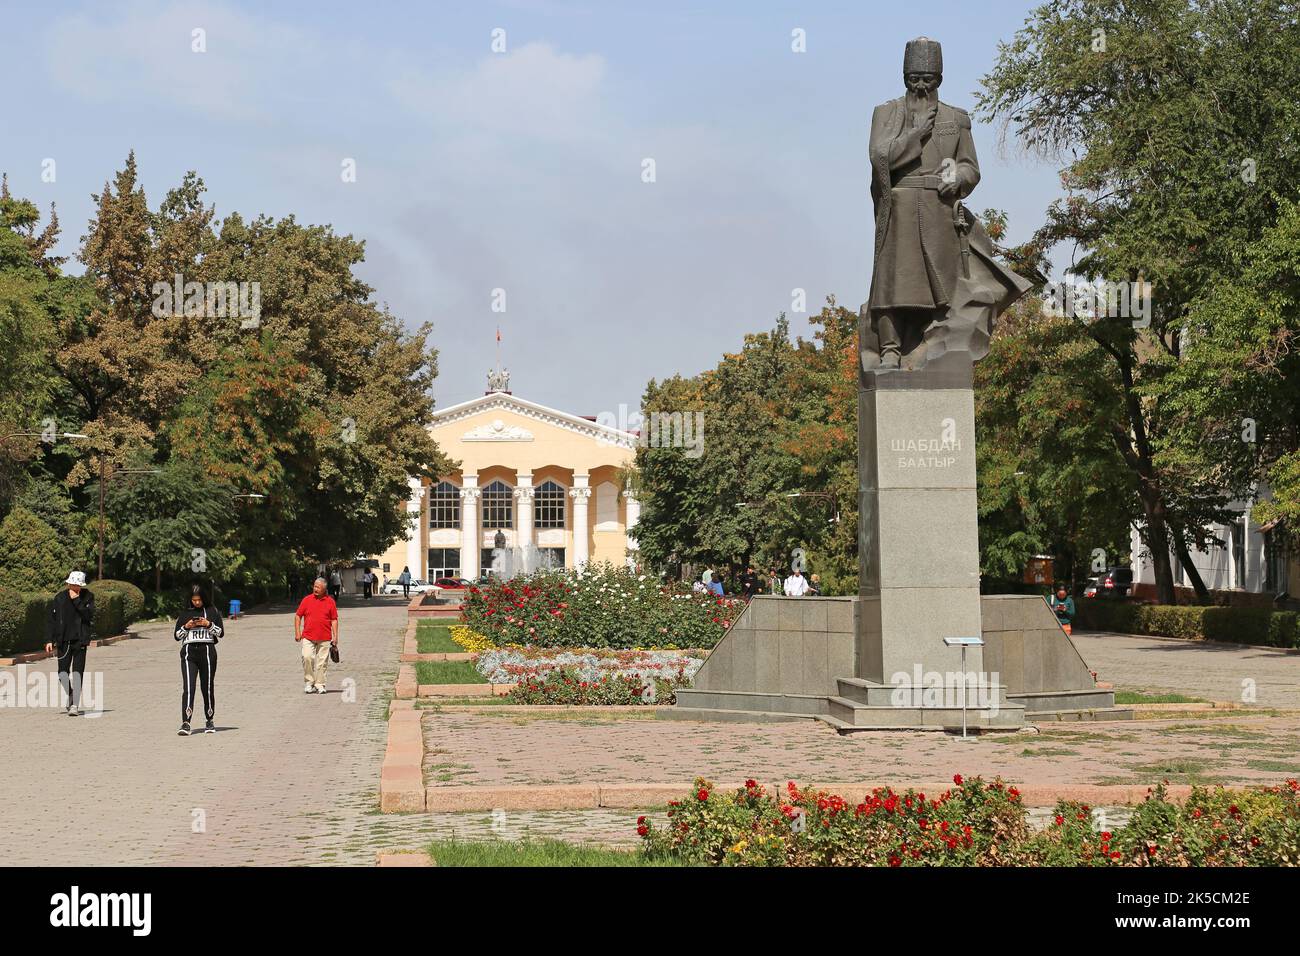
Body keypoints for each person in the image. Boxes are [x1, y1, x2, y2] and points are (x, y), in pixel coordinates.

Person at [174, 584, 224, 735]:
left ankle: (209, 720)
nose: (196, 603)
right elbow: (177, 636)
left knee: (207, 687)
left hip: (207, 652)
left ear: (204, 598)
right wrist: (187, 626)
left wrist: (208, 624)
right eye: (194, 600)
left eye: (199, 600)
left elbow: (220, 633)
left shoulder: (212, 611)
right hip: (189, 653)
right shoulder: (184, 613)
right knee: (188, 687)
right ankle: (186, 723)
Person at [44, 571, 95, 717]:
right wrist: (49, 639)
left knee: (78, 673)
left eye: (77, 585)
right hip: (63, 642)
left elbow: (88, 616)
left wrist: (77, 600)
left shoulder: (88, 596)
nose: (74, 587)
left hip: (80, 641)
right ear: (68, 584)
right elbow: (51, 620)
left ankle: (75, 705)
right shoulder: (59, 598)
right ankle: (71, 694)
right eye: (72, 584)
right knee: (62, 673)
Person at [295, 577, 339, 694]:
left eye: (318, 587)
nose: (315, 589)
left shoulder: (330, 602)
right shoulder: (307, 600)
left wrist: (335, 636)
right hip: (308, 636)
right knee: (307, 657)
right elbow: (298, 616)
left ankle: (320, 684)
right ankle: (309, 682)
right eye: (314, 586)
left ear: (324, 589)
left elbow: (334, 620)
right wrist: (297, 632)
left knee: (322, 662)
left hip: (324, 637)